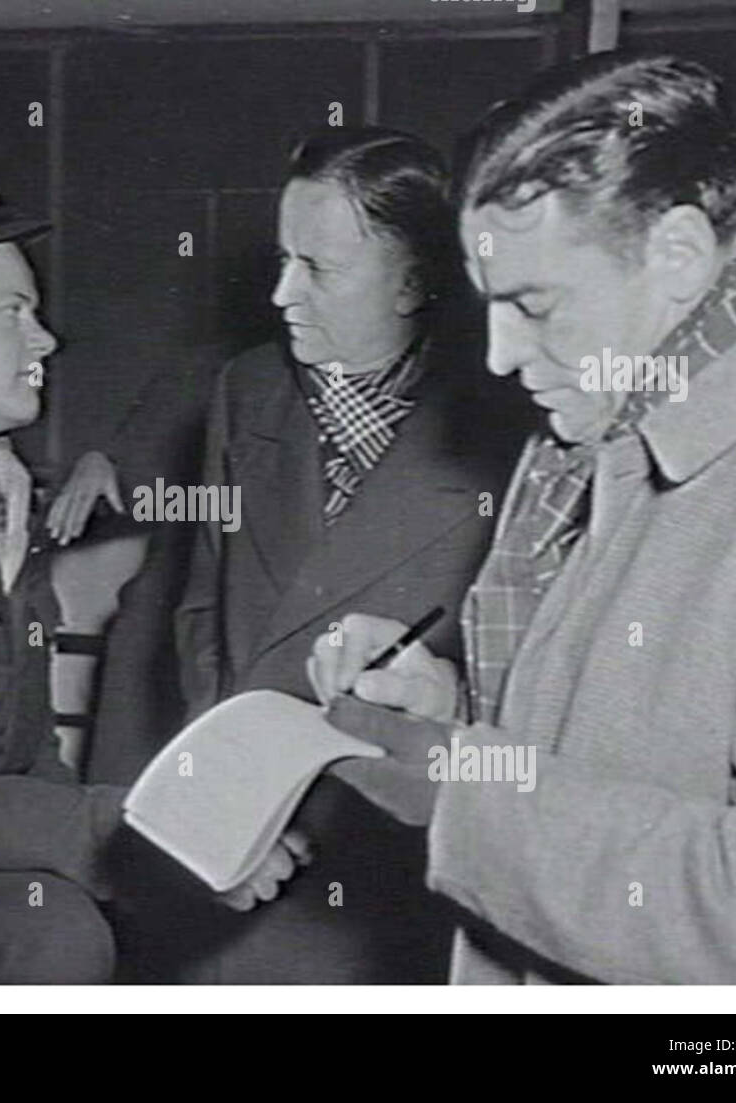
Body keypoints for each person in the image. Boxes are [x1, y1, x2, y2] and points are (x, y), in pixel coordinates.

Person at [310, 52, 736, 984]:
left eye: (535, 305)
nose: (504, 357)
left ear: (676, 253)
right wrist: (456, 716)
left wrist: (463, 794)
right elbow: (631, 758)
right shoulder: (597, 422)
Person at [0, 163, 304, 983]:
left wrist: (160, 852)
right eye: (13, 315)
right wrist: (131, 831)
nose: (47, 341)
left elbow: (29, 758)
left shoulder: (0, 506)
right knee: (53, 935)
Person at [168, 127, 528, 983]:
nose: (283, 292)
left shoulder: (512, 421)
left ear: (415, 281)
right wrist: (221, 809)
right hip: (251, 854)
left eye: (318, 269)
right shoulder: (246, 390)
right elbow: (200, 614)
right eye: (284, 259)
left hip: (397, 871)